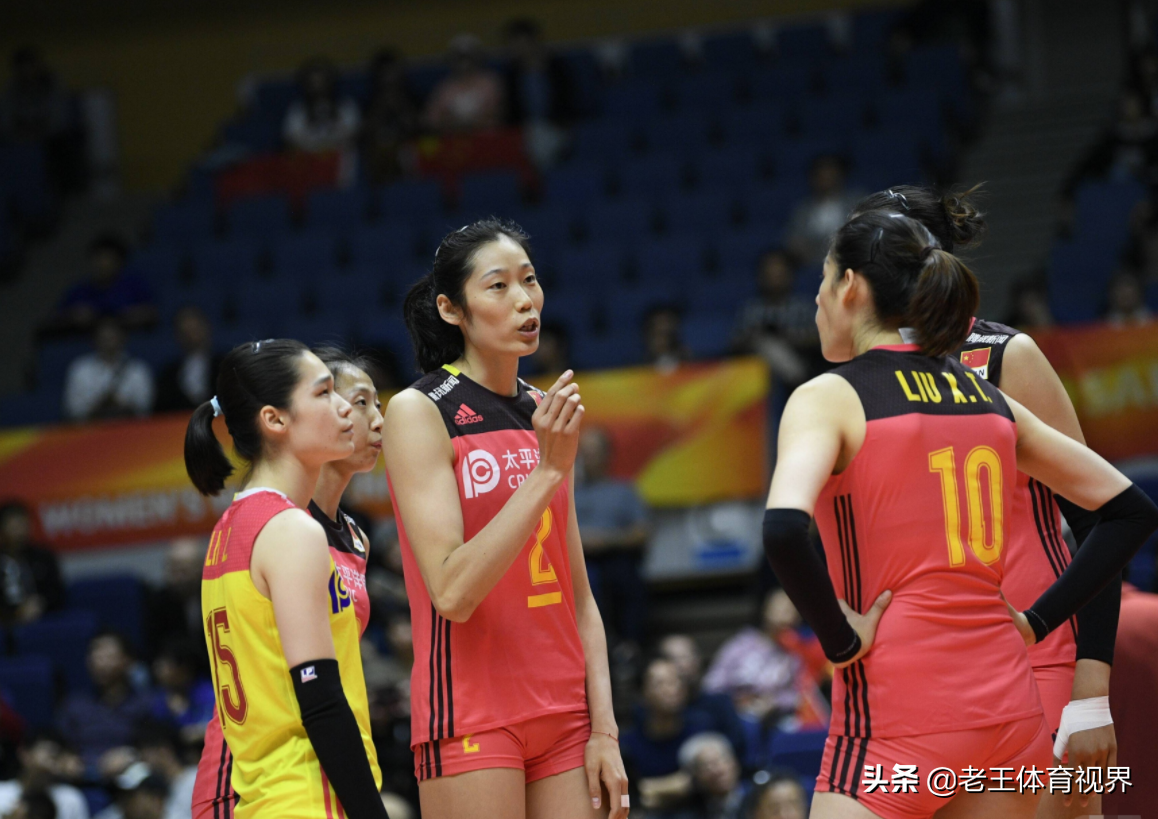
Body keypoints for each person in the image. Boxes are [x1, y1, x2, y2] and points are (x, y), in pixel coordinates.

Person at [761, 209, 1158, 818]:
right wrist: (1038, 619)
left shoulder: (828, 396)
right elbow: (1130, 510)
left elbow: (784, 529)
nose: (813, 300)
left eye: (821, 280)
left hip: (895, 727)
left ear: (849, 287)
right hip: (1007, 717)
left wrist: (839, 640)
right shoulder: (984, 395)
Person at [858, 184, 1125, 819]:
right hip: (926, 672)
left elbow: (1102, 519)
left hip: (1037, 655)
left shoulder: (1009, 357)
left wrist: (1092, 689)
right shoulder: (861, 378)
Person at [385, 219, 628, 818]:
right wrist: (546, 472)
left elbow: (580, 595)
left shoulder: (543, 410)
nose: (525, 299)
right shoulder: (418, 411)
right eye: (498, 286)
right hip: (470, 711)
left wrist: (606, 729)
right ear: (451, 308)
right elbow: (452, 590)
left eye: (530, 280)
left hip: (567, 712)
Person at [183, 339, 389, 818]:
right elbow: (319, 699)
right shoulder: (292, 529)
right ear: (274, 420)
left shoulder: (230, 528)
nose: (344, 408)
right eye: (324, 395)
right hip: (307, 793)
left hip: (262, 796)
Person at [701, 589, 829, 730]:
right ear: (766, 610)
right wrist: (737, 701)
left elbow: (801, 694)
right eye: (780, 607)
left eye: (791, 608)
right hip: (736, 717)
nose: (785, 613)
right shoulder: (741, 645)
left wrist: (776, 703)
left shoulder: (799, 650)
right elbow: (711, 685)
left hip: (780, 720)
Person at [574, 427, 649, 652]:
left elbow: (642, 533)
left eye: (593, 451)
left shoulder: (623, 491)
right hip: (577, 564)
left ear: (607, 455)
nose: (587, 457)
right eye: (583, 452)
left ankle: (630, 648)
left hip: (615, 559)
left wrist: (606, 541)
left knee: (626, 579)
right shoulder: (566, 492)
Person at [621, 658, 713, 814]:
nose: (672, 689)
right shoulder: (628, 744)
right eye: (660, 683)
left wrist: (650, 788)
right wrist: (676, 785)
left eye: (676, 681)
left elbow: (703, 783)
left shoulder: (701, 728)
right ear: (643, 693)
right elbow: (630, 795)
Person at [55, 632, 153, 777]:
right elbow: (60, 744)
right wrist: (65, 758)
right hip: (81, 777)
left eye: (107, 656)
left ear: (127, 661)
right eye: (95, 656)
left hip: (130, 775)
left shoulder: (145, 703)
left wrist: (132, 755)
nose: (99, 662)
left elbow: (157, 748)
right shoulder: (74, 703)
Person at [656, 636, 749, 770]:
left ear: (698, 660)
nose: (681, 665)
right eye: (673, 659)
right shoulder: (655, 711)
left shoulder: (719, 703)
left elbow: (738, 746)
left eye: (686, 657)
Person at [732, 249, 822, 388]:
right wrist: (758, 337)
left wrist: (787, 338)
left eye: (779, 273)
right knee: (766, 344)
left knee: (772, 346)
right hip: (756, 373)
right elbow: (735, 344)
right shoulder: (751, 310)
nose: (774, 278)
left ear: (789, 275)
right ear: (761, 276)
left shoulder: (803, 308)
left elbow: (819, 340)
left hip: (802, 362)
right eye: (770, 273)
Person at [501, 18, 576, 168]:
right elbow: (511, 110)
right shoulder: (512, 75)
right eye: (513, 44)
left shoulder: (557, 68)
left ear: (532, 41)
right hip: (525, 130)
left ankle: (543, 183)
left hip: (557, 126)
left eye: (519, 42)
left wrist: (563, 123)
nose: (516, 48)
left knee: (542, 144)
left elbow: (571, 101)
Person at [51, 235, 157, 335]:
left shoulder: (135, 285)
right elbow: (58, 318)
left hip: (129, 342)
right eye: (99, 258)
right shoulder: (79, 289)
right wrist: (73, 316)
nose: (103, 264)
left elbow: (151, 313)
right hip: (86, 344)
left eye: (108, 259)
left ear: (119, 262)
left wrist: (129, 316)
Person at [62, 317, 154, 421]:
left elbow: (145, 408)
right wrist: (100, 404)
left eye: (112, 337)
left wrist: (119, 403)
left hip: (131, 430)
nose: (108, 341)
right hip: (91, 431)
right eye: (103, 337)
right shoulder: (80, 369)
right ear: (94, 339)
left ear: (123, 338)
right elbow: (73, 410)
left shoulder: (138, 369)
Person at [784, 156, 864, 267]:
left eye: (830, 173)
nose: (826, 178)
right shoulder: (803, 209)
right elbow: (795, 243)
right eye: (821, 174)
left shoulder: (856, 201)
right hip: (814, 267)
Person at [423, 35, 506, 134]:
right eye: (459, 58)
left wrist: (471, 123)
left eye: (468, 58)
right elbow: (432, 119)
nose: (464, 64)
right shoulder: (445, 87)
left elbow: (497, 114)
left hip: (486, 138)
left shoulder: (490, 83)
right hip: (453, 140)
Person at [0, 500, 65, 625]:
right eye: (14, 526)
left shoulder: (43, 556)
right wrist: (15, 612)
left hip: (44, 620)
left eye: (22, 524)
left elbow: (58, 593)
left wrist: (41, 602)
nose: (19, 531)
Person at [0, 730, 89, 819]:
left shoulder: (71, 798)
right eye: (49, 755)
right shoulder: (2, 793)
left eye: (57, 757)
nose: (51, 763)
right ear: (25, 754)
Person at [360, 49, 418, 184]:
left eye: (392, 71)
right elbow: (366, 131)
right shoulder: (369, 101)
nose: (389, 77)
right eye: (384, 72)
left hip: (407, 146)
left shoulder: (411, 97)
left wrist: (399, 105)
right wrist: (381, 107)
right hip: (378, 153)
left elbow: (415, 126)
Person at [144, 539, 207, 664]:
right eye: (172, 569)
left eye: (183, 571)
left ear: (200, 569)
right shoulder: (158, 602)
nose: (177, 577)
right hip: (175, 669)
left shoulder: (215, 595)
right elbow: (153, 647)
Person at [283, 58, 361, 154]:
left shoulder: (346, 107)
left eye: (323, 81)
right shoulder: (297, 112)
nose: (319, 88)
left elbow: (354, 137)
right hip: (308, 163)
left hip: (343, 163)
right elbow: (290, 144)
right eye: (313, 83)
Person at [154, 307, 221, 413]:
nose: (191, 336)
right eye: (185, 331)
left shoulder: (225, 364)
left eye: (195, 329)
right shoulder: (169, 374)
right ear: (177, 336)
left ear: (206, 328)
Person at [674, 733, 748, 819]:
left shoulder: (757, 798)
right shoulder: (690, 811)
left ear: (734, 762)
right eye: (706, 766)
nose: (717, 771)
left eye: (721, 760)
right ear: (695, 776)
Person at [643, 305, 690, 371]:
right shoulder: (638, 367)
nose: (665, 327)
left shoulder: (686, 358)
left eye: (669, 334)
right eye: (659, 333)